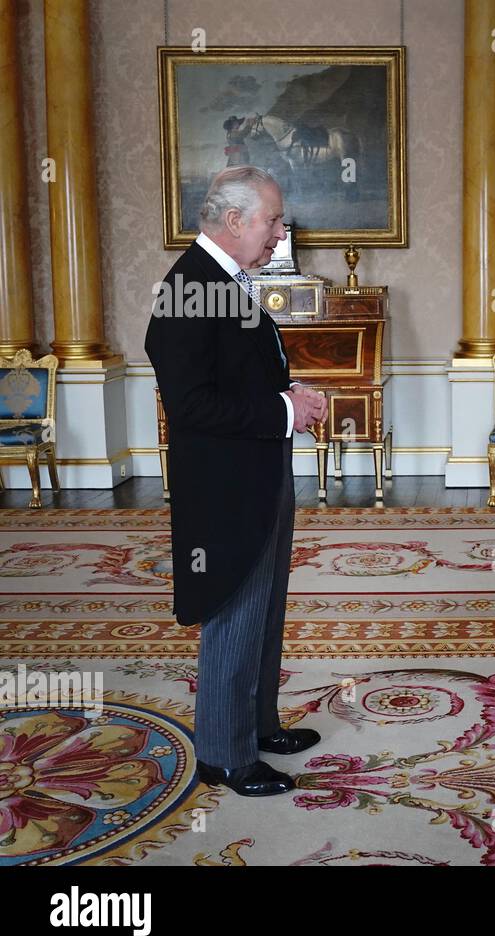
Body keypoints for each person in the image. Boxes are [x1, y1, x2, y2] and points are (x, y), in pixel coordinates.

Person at [145, 165, 328, 796]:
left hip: (258, 469)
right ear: (234, 221)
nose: (281, 232)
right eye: (273, 220)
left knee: (266, 606)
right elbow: (191, 404)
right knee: (234, 607)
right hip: (225, 486)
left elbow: (234, 376)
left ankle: (256, 724)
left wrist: (285, 392)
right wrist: (284, 410)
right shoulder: (188, 289)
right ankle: (225, 754)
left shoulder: (225, 280)